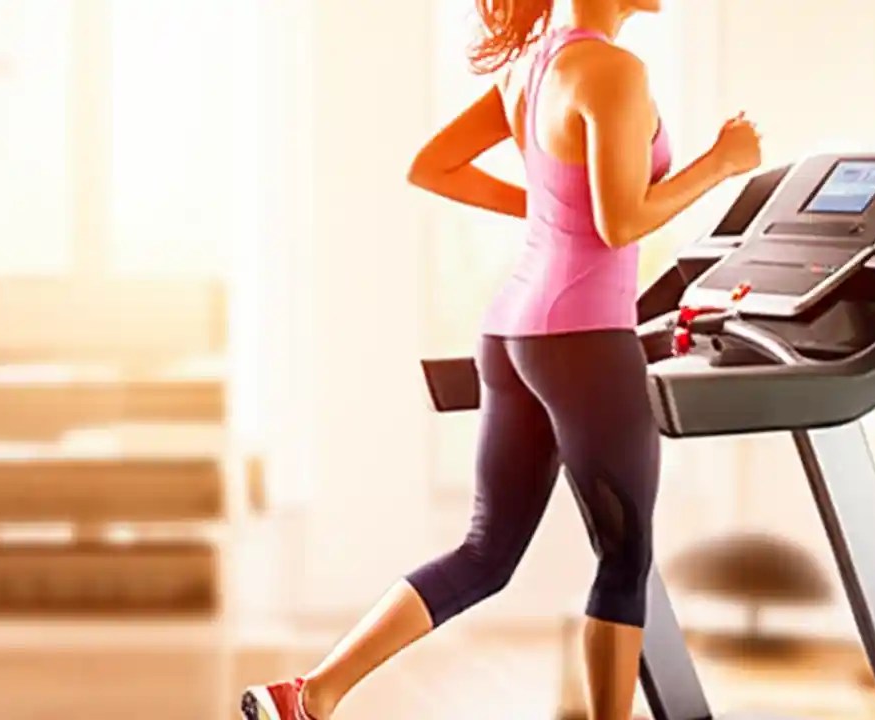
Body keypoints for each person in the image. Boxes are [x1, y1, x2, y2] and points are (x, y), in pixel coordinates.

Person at [241, 0, 760, 718]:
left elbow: (435, 166)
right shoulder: (612, 71)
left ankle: (310, 694)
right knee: (624, 555)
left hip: (513, 332)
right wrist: (720, 163)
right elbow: (622, 223)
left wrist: (550, 210)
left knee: (486, 554)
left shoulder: (534, 65)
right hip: (582, 339)